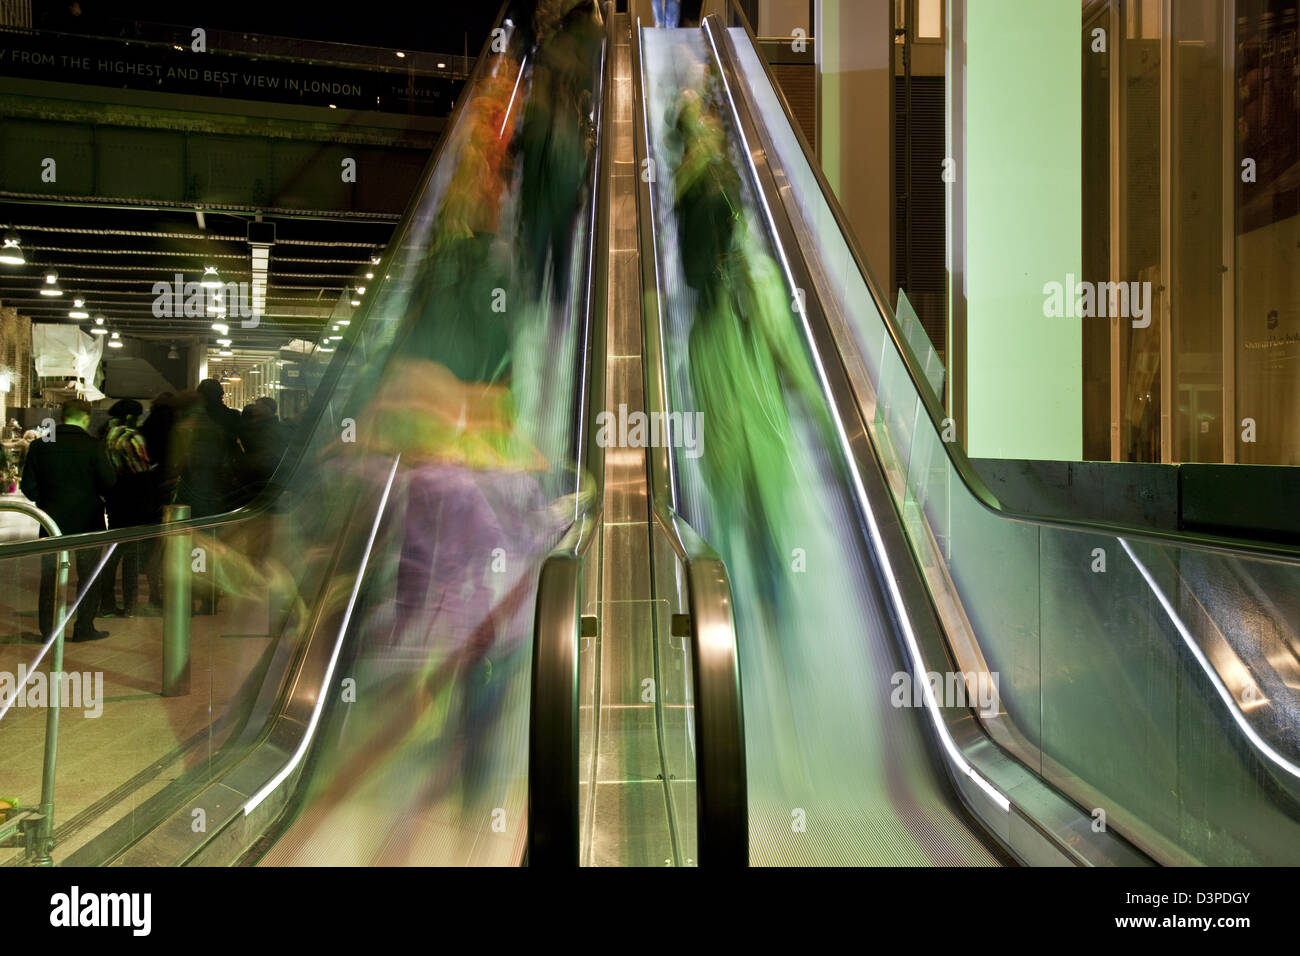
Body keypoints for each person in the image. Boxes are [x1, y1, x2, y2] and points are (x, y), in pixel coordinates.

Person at [20, 398, 116, 642]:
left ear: (62, 416)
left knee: (50, 578)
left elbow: (28, 487)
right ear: (86, 418)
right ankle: (84, 627)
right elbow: (109, 484)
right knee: (88, 576)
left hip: (51, 521)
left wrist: (48, 502)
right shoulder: (94, 447)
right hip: (88, 521)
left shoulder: (41, 446)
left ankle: (49, 631)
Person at [98, 399, 152, 616]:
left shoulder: (104, 434)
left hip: (113, 496)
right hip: (134, 497)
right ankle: (130, 604)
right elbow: (141, 468)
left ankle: (106, 602)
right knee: (132, 551)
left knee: (113, 549)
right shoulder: (129, 436)